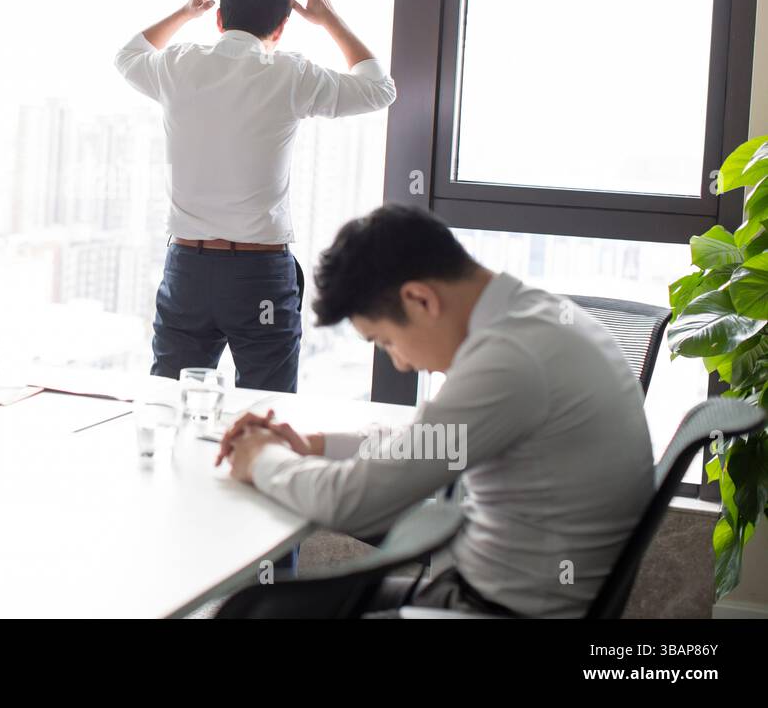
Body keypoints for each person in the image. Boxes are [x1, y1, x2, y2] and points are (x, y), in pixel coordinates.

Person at [217, 204, 654, 617]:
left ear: (421, 300)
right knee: (272, 607)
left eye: (386, 341)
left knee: (254, 610)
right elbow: (433, 440)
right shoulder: (536, 318)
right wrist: (312, 446)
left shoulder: (509, 359)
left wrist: (261, 459)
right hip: (487, 593)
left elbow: (349, 504)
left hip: (488, 611)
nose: (401, 362)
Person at [114, 0, 395, 394]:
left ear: (220, 17)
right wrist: (329, 19)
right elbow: (379, 89)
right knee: (267, 410)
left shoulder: (179, 65)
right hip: (257, 274)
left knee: (168, 403)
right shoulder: (289, 75)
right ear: (282, 26)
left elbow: (128, 56)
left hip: (188, 271)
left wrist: (186, 12)